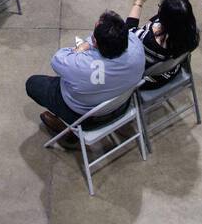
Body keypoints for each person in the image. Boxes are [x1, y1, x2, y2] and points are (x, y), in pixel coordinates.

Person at [25, 9, 147, 144]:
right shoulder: (137, 46)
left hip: (86, 119)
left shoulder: (80, 64)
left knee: (33, 83)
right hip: (122, 106)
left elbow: (57, 59)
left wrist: (83, 47)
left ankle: (68, 129)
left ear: (95, 43)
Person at [126, 0, 199, 85]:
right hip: (171, 71)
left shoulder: (148, 40)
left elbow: (128, 31)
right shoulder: (192, 34)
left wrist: (140, 1)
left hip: (150, 81)